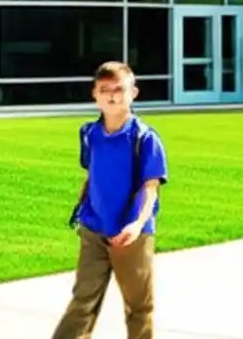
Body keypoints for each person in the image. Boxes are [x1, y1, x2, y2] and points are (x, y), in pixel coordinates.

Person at [53, 62, 168, 339]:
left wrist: (137, 225)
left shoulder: (144, 138)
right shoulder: (89, 134)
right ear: (95, 93)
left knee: (138, 307)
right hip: (94, 229)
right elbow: (92, 175)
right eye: (105, 90)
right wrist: (82, 211)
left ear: (134, 93)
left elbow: (150, 188)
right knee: (83, 300)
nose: (112, 96)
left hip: (131, 235)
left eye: (119, 89)